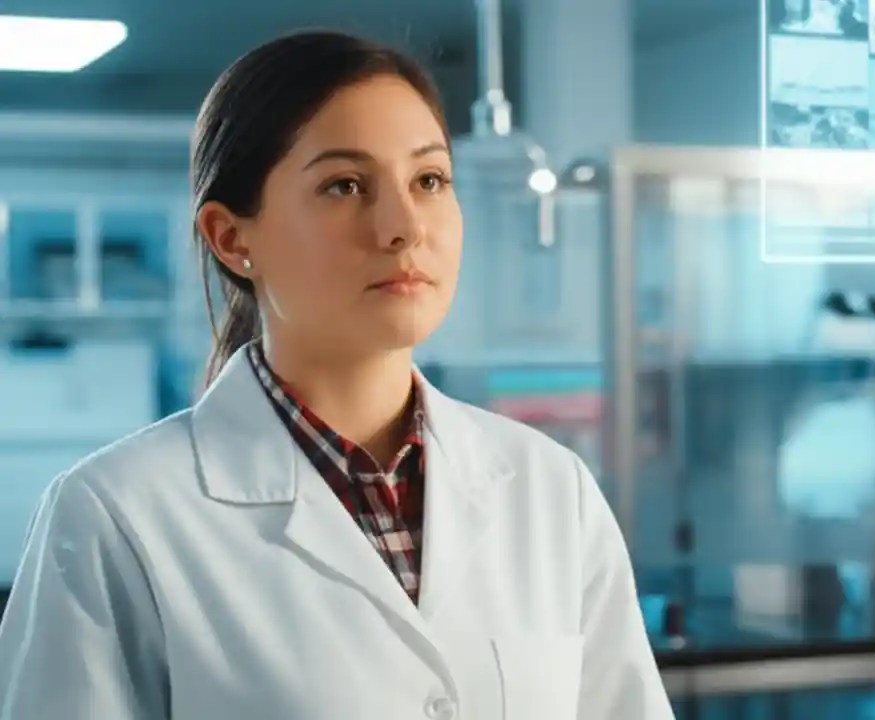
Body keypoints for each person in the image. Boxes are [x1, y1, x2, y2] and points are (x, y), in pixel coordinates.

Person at [0, 31, 673, 720]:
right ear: (232, 239)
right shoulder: (114, 516)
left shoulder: (550, 489)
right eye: (344, 185)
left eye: (429, 180)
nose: (403, 226)